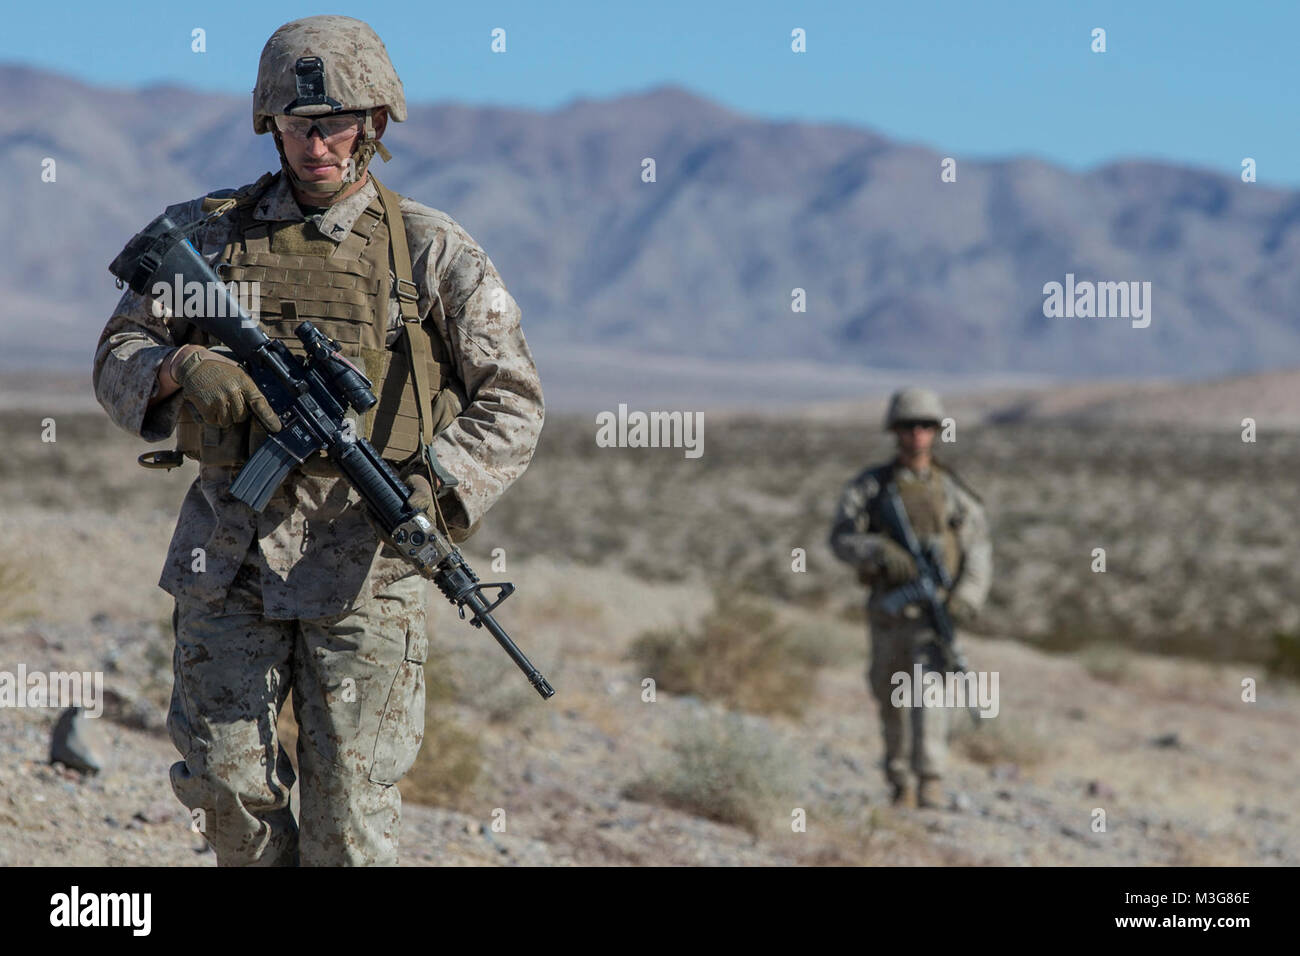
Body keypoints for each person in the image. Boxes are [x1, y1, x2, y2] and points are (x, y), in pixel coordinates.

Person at [91, 15, 544, 865]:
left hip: (368, 569)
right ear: (271, 124)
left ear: (374, 126)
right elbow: (116, 356)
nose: (317, 144)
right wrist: (180, 365)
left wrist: (435, 482)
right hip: (229, 559)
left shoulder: (429, 249)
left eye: (336, 123)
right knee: (225, 791)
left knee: (350, 816)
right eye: (299, 126)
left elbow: (514, 401)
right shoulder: (208, 237)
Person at [828, 388, 990, 809]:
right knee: (889, 693)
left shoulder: (954, 491)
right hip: (888, 611)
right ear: (894, 431)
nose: (916, 434)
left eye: (925, 426)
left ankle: (930, 777)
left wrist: (964, 600)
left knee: (929, 694)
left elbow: (978, 551)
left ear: (936, 431)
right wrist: (878, 551)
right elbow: (841, 539)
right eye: (908, 426)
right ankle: (899, 780)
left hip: (931, 612)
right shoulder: (871, 488)